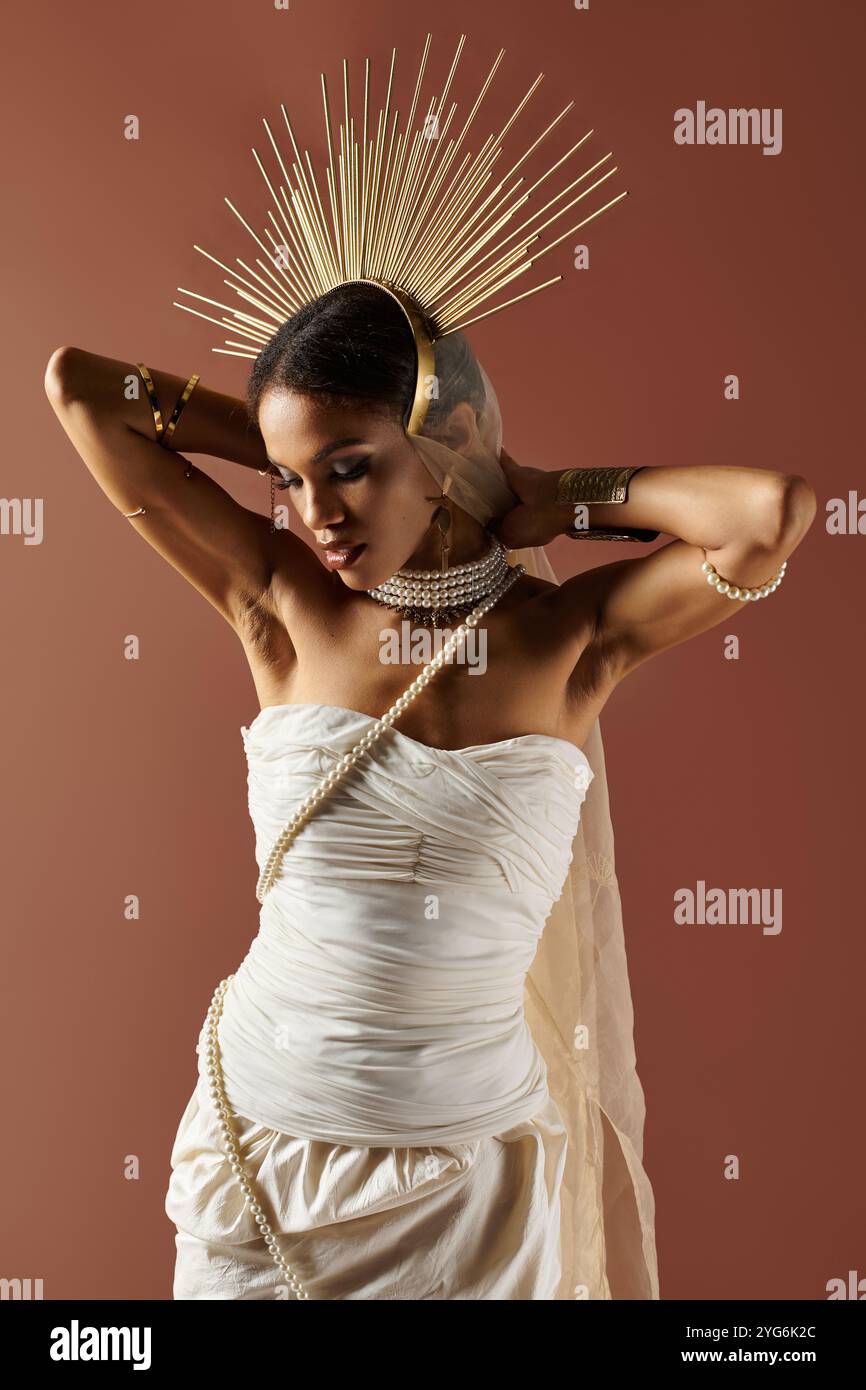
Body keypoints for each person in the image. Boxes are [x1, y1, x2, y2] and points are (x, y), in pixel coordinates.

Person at [44, 282, 816, 1300]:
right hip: (267, 1165)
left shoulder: (566, 639)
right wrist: (304, 437)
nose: (316, 514)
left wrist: (544, 492)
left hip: (476, 1199)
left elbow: (768, 515)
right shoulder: (281, 607)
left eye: (350, 470)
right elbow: (83, 390)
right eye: (291, 481)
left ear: (446, 439)